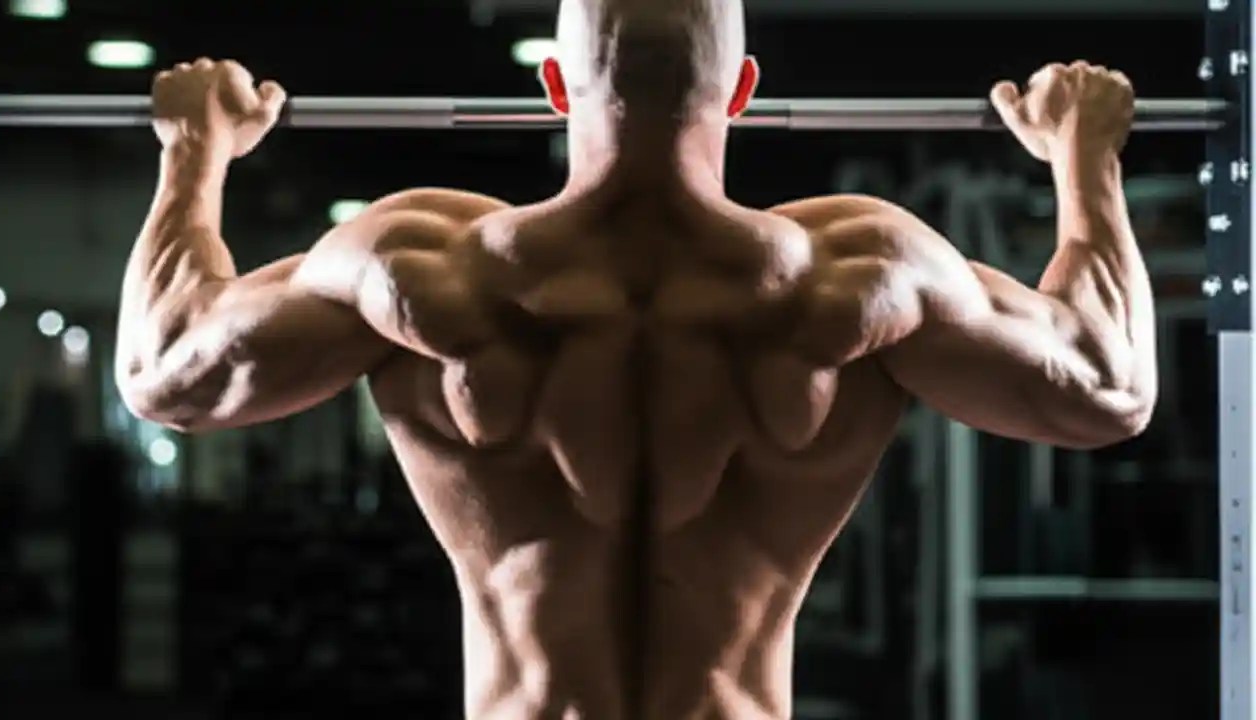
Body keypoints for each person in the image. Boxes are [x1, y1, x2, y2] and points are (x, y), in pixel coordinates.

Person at [114, 0, 1157, 716]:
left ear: (556, 84)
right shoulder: (855, 274)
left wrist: (195, 153)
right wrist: (1083, 159)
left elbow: (164, 372)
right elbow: (1105, 387)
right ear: (742, 87)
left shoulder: (423, 268)